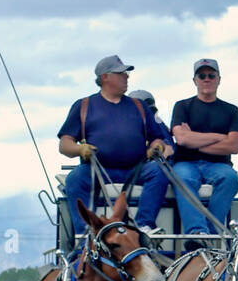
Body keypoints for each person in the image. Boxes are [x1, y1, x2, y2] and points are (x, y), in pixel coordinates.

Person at [58, 56, 172, 238]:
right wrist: (79, 149)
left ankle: (144, 225)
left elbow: (157, 138)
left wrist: (156, 147)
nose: (127, 77)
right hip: (97, 170)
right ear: (105, 77)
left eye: (126, 74)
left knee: (160, 172)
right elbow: (65, 144)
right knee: (75, 179)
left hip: (136, 169)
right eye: (121, 74)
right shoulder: (84, 106)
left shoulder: (139, 106)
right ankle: (85, 232)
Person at [169, 59, 238, 245]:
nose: (207, 79)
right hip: (185, 163)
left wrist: (196, 141)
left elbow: (234, 146)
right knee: (182, 178)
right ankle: (197, 232)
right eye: (202, 76)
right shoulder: (182, 106)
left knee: (230, 179)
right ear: (195, 80)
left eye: (211, 75)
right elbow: (182, 139)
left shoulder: (231, 110)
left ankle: (211, 233)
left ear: (219, 79)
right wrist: (219, 137)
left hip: (219, 165)